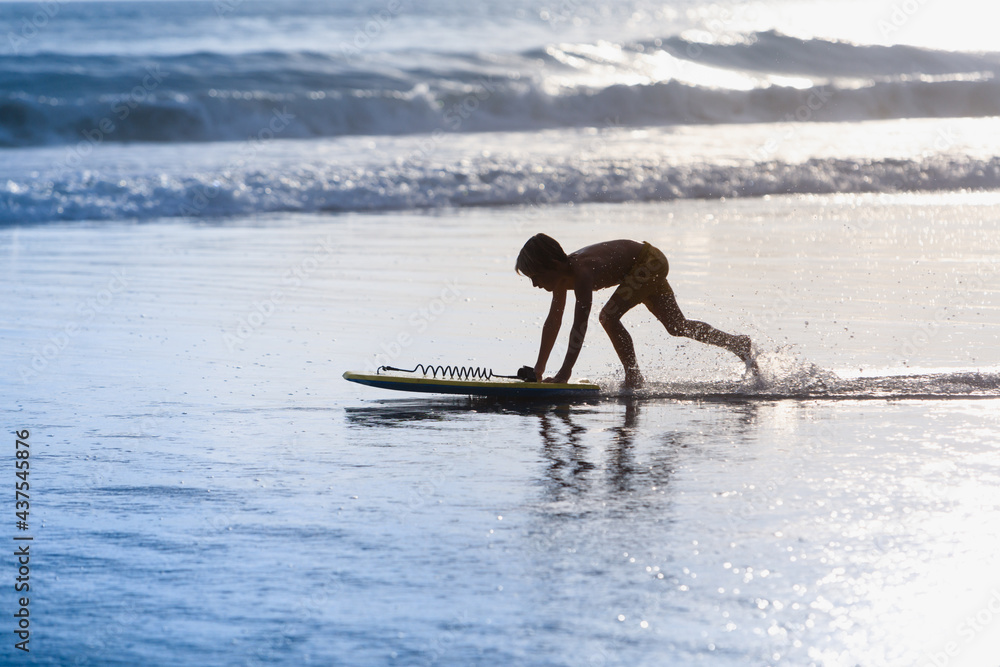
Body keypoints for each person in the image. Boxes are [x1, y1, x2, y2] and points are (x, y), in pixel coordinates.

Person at [515, 233, 757, 388]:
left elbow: (580, 324)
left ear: (554, 265)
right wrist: (539, 370)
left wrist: (565, 372)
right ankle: (737, 343)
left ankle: (633, 376)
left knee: (607, 317)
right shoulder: (560, 279)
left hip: (648, 263)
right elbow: (553, 322)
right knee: (677, 326)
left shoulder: (582, 273)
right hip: (648, 261)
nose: (534, 284)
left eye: (536, 277)